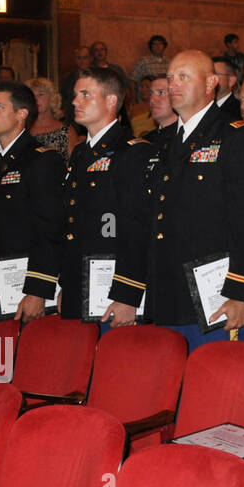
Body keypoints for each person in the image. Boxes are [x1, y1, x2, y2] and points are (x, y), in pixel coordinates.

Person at [139, 51, 244, 348]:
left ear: (210, 83)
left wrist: (240, 292)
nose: (173, 85)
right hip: (166, 292)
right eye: (170, 78)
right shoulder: (163, 141)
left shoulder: (236, 137)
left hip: (214, 297)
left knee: (217, 388)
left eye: (183, 76)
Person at [0, 82, 64, 319]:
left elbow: (49, 232)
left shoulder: (41, 161)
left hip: (24, 284)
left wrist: (38, 291)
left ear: (21, 114)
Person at [58, 68, 153, 323]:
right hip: (83, 283)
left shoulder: (131, 152)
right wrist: (65, 282)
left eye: (86, 94)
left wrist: (128, 293)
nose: (76, 101)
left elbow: (136, 228)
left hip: (114, 288)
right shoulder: (80, 154)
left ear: (111, 101)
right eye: (76, 95)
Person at [25, 76, 69, 159]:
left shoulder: (65, 131)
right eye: (32, 95)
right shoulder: (23, 130)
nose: (36, 99)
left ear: (52, 98)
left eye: (40, 94)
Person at [142, 74, 178, 145]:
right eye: (151, 93)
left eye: (161, 92)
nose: (152, 100)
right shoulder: (146, 140)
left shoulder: (185, 138)